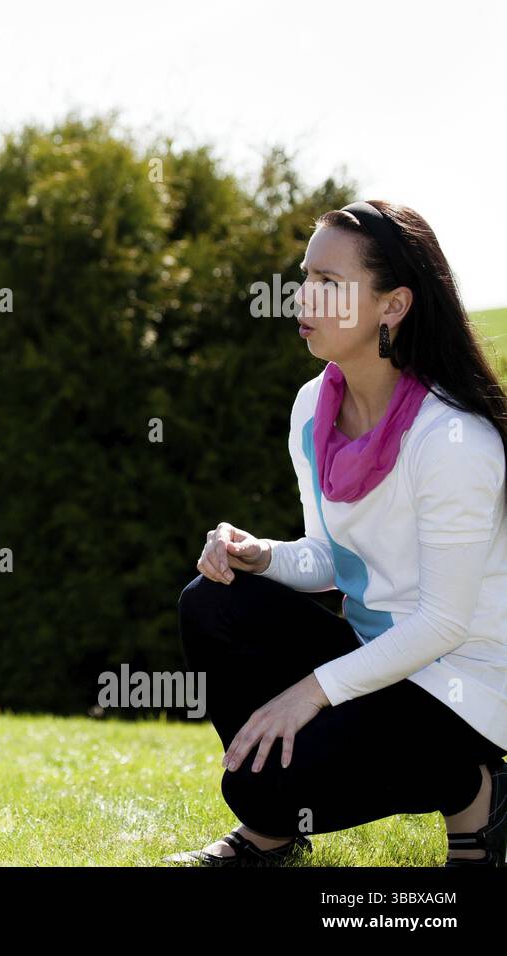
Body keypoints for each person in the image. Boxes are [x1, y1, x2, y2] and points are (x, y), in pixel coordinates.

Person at [168, 200, 507, 867]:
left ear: (393, 305)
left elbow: (441, 623)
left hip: (460, 686)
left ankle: (478, 786)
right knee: (212, 601)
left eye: (330, 282)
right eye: (305, 277)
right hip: (374, 656)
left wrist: (311, 692)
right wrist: (260, 556)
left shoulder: (452, 438)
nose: (304, 297)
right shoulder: (312, 407)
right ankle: (272, 835)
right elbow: (332, 559)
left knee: (256, 785)